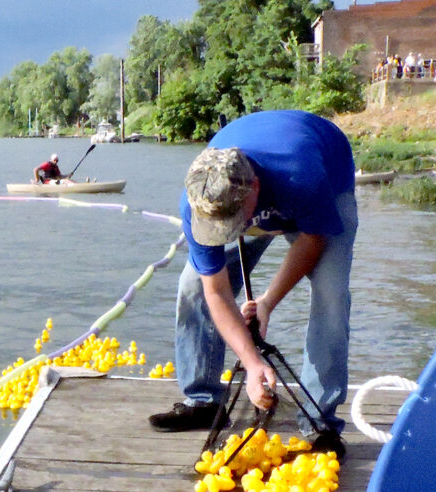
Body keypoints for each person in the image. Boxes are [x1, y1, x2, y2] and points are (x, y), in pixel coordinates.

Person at [148, 110, 358, 460]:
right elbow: (214, 289)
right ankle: (203, 400)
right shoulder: (196, 202)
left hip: (325, 179)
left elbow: (313, 241)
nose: (226, 235)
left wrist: (267, 302)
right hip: (260, 196)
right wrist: (251, 360)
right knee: (191, 285)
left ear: (255, 189)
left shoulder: (301, 175)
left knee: (331, 295)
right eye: (218, 226)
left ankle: (319, 422)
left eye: (233, 222)